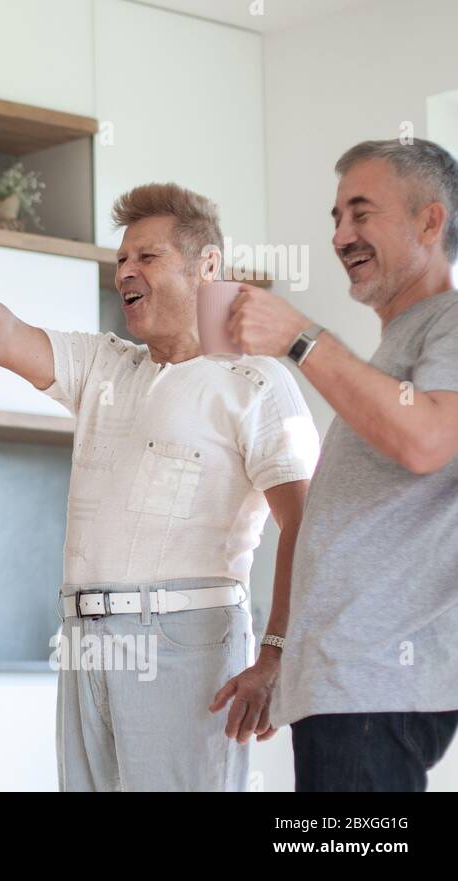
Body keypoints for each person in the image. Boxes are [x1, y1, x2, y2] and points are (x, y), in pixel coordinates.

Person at [0, 183, 320, 791]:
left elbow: (307, 527)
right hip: (84, 635)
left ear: (207, 267)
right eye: (121, 260)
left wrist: (278, 654)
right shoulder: (107, 364)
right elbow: (0, 337)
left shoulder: (254, 381)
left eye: (146, 258)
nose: (124, 271)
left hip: (187, 636)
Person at [231, 138, 458, 792]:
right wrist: (283, 655)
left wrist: (300, 338)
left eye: (361, 213)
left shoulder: (450, 323)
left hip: (373, 687)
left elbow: (428, 440)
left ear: (429, 221)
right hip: (344, 689)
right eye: (336, 217)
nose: (341, 235)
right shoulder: (395, 348)